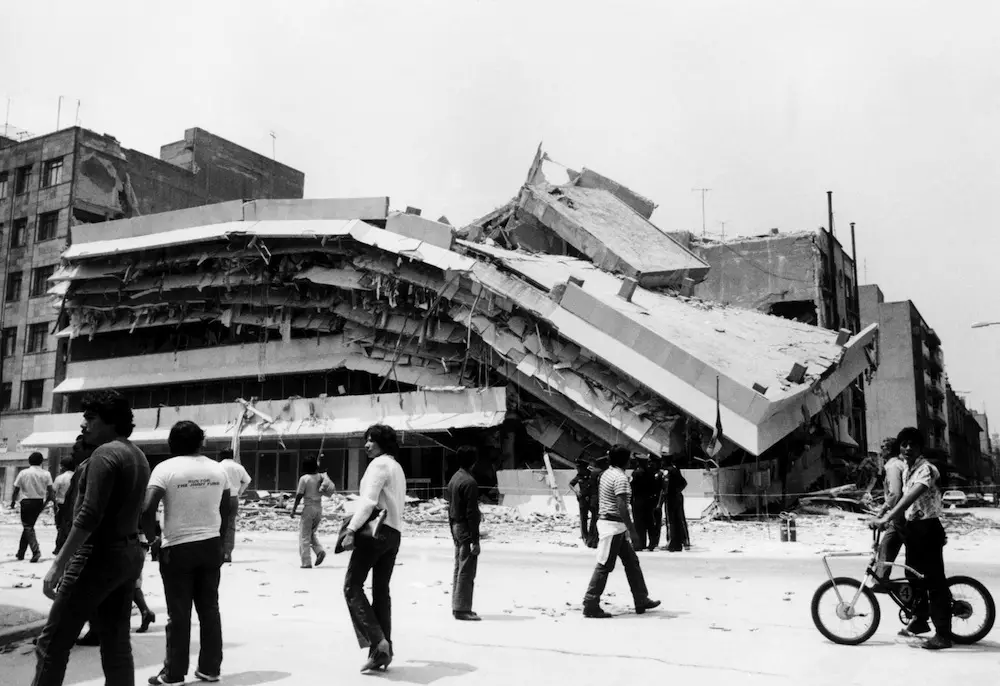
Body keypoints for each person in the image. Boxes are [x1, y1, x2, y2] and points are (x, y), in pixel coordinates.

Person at [32, 390, 150, 686]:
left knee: (52, 642)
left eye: (91, 418)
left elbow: (88, 516)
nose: (84, 425)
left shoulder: (104, 454)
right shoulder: (137, 455)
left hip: (98, 555)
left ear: (110, 422)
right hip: (128, 553)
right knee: (116, 643)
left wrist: (58, 565)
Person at [143, 421, 231, 685]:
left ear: (172, 443)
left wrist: (152, 539)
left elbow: (147, 508)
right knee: (209, 609)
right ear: (201, 441)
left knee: (179, 614)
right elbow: (226, 510)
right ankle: (210, 668)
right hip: (210, 545)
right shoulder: (218, 470)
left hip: (177, 548)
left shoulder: (165, 469)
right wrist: (222, 542)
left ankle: (173, 673)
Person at [871, 426, 953, 650]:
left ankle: (943, 634)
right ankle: (919, 621)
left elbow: (908, 498)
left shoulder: (926, 469)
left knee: (934, 581)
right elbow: (899, 499)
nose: (907, 448)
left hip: (928, 528)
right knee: (914, 576)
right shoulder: (907, 469)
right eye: (904, 444)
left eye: (913, 444)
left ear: (920, 448)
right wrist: (883, 515)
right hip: (915, 529)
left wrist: (886, 517)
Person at [342, 424, 407, 673]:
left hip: (376, 533)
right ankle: (383, 650)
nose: (366, 445)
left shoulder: (379, 464)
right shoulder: (397, 467)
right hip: (394, 533)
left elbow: (369, 501)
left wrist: (351, 530)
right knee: (381, 592)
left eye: (371, 441)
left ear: (382, 443)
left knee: (351, 586)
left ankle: (377, 641)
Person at [582, 445, 660, 619]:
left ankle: (641, 598)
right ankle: (590, 603)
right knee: (604, 565)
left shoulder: (606, 474)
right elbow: (622, 506)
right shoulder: (620, 478)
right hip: (614, 526)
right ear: (625, 460)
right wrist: (633, 531)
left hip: (612, 525)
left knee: (632, 562)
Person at [446, 445, 482, 621]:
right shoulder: (469, 482)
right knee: (467, 569)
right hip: (466, 528)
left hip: (456, 526)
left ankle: (457, 606)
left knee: (458, 567)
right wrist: (476, 540)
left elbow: (449, 507)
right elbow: (472, 513)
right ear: (473, 462)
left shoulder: (454, 479)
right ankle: (462, 609)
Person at [290, 455, 335, 568]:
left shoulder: (304, 478)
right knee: (311, 533)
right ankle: (319, 551)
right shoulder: (321, 477)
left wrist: (294, 509)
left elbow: (299, 495)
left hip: (309, 508)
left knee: (304, 535)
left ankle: (306, 562)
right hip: (319, 508)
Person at [11, 451, 54, 563]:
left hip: (26, 501)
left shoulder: (23, 473)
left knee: (28, 526)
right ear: (41, 462)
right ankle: (21, 553)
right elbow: (50, 491)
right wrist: (51, 502)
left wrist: (13, 501)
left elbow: (16, 489)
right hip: (39, 502)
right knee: (28, 527)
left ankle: (36, 551)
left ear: (29, 461)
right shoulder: (46, 474)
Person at [874, 439, 904, 583]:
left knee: (886, 547)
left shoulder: (893, 467)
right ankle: (880, 579)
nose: (880, 451)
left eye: (882, 447)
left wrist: (883, 512)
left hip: (900, 517)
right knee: (886, 546)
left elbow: (895, 494)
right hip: (900, 515)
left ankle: (880, 581)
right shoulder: (898, 465)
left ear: (889, 450)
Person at [216, 448, 251, 563]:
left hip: (220, 498)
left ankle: (218, 552)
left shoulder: (218, 466)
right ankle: (227, 554)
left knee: (218, 524)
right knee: (231, 525)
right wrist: (240, 491)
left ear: (221, 455)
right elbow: (247, 480)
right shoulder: (239, 467)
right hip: (233, 498)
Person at [629, 454, 659, 551]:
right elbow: (655, 487)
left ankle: (641, 543)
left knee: (639, 523)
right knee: (649, 522)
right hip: (649, 500)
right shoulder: (651, 472)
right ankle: (652, 543)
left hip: (638, 500)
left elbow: (632, 488)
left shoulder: (636, 473)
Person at [661, 453, 690, 552]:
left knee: (670, 521)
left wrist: (664, 498)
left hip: (670, 498)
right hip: (678, 497)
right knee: (680, 519)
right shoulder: (676, 469)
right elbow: (684, 483)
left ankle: (671, 542)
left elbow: (665, 487)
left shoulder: (667, 471)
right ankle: (685, 541)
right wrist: (678, 491)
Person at [52, 458, 75, 555]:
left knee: (61, 526)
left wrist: (54, 505)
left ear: (64, 467)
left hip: (62, 505)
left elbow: (53, 491)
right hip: (74, 505)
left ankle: (59, 547)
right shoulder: (78, 476)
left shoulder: (60, 478)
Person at [569, 460, 594, 542]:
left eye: (579, 468)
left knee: (594, 516)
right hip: (582, 499)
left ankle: (592, 534)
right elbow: (571, 484)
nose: (578, 469)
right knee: (583, 518)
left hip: (591, 498)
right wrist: (576, 491)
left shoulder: (591, 474)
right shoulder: (579, 476)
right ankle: (584, 535)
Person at [647, 456, 664, 550]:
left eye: (652, 462)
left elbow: (662, 490)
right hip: (649, 501)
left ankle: (654, 542)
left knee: (657, 522)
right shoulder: (649, 473)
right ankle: (651, 541)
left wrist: (659, 503)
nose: (650, 464)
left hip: (657, 500)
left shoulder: (660, 474)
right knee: (650, 523)